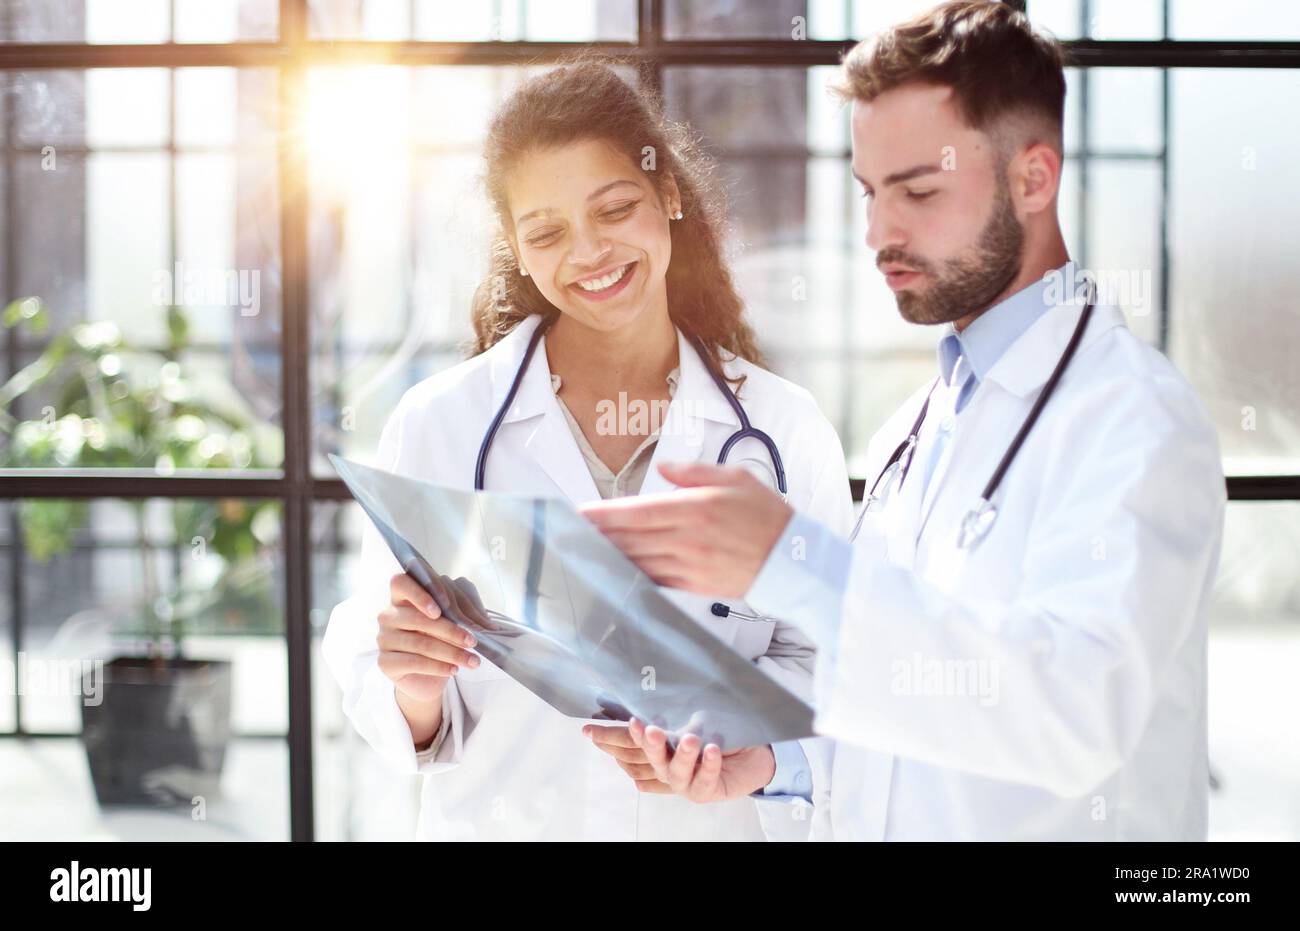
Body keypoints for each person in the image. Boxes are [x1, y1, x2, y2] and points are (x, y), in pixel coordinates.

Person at [581, 1, 1227, 841]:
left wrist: (794, 562)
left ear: (1034, 178)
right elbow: (917, 706)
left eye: (918, 190)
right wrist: (777, 761)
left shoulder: (1136, 422)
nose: (878, 232)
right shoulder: (912, 433)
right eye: (869, 192)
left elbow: (1076, 716)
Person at [322, 58, 853, 841]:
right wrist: (413, 680)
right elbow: (383, 676)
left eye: (614, 208)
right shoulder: (441, 425)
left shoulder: (782, 431)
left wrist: (755, 748)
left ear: (668, 194)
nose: (590, 253)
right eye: (547, 231)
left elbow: (842, 674)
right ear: (517, 245)